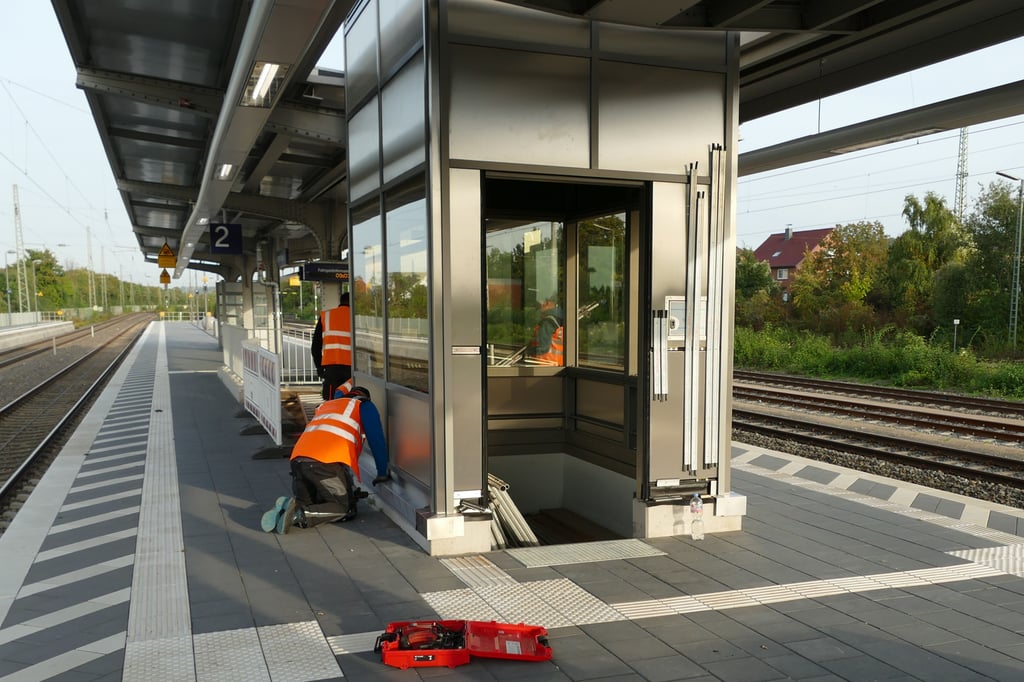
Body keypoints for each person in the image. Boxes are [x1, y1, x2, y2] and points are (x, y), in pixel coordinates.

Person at [261, 386, 392, 534]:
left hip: (297, 460)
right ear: (365, 396)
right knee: (343, 508)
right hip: (323, 463)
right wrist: (382, 471)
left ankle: (293, 506)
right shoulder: (364, 405)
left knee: (313, 503)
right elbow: (376, 440)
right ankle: (299, 515)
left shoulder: (328, 405)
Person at [311, 291, 352, 400]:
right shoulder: (357, 318)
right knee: (350, 401)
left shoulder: (326, 315)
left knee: (331, 400)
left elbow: (315, 346)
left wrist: (319, 367)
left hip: (331, 369)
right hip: (352, 370)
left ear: (341, 302)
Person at [530, 298, 564, 366]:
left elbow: (543, 348)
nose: (540, 306)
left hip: (544, 364)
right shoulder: (560, 321)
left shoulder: (547, 322)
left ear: (548, 303)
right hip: (557, 365)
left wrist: (528, 352)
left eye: (542, 303)